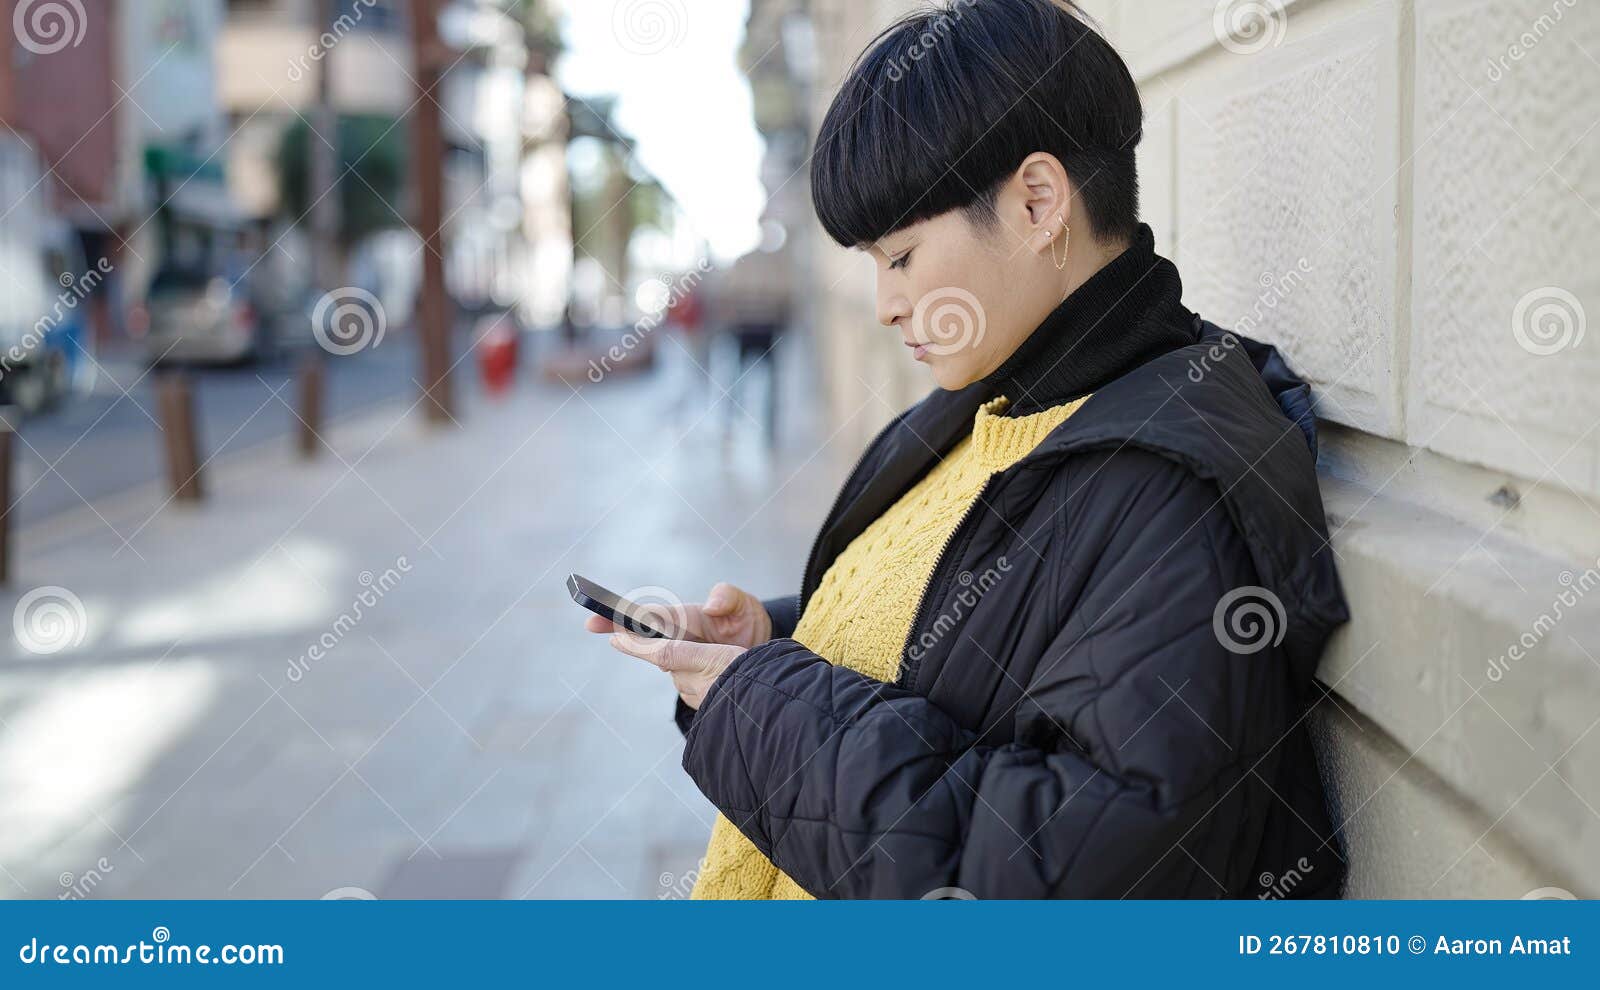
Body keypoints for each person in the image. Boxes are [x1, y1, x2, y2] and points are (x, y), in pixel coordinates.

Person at [585, 0, 1348, 899]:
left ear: (1036, 202)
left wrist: (759, 708)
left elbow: (1061, 879)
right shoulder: (975, 408)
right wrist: (777, 638)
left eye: (901, 257)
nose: (884, 304)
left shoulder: (1170, 490)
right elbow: (976, 642)